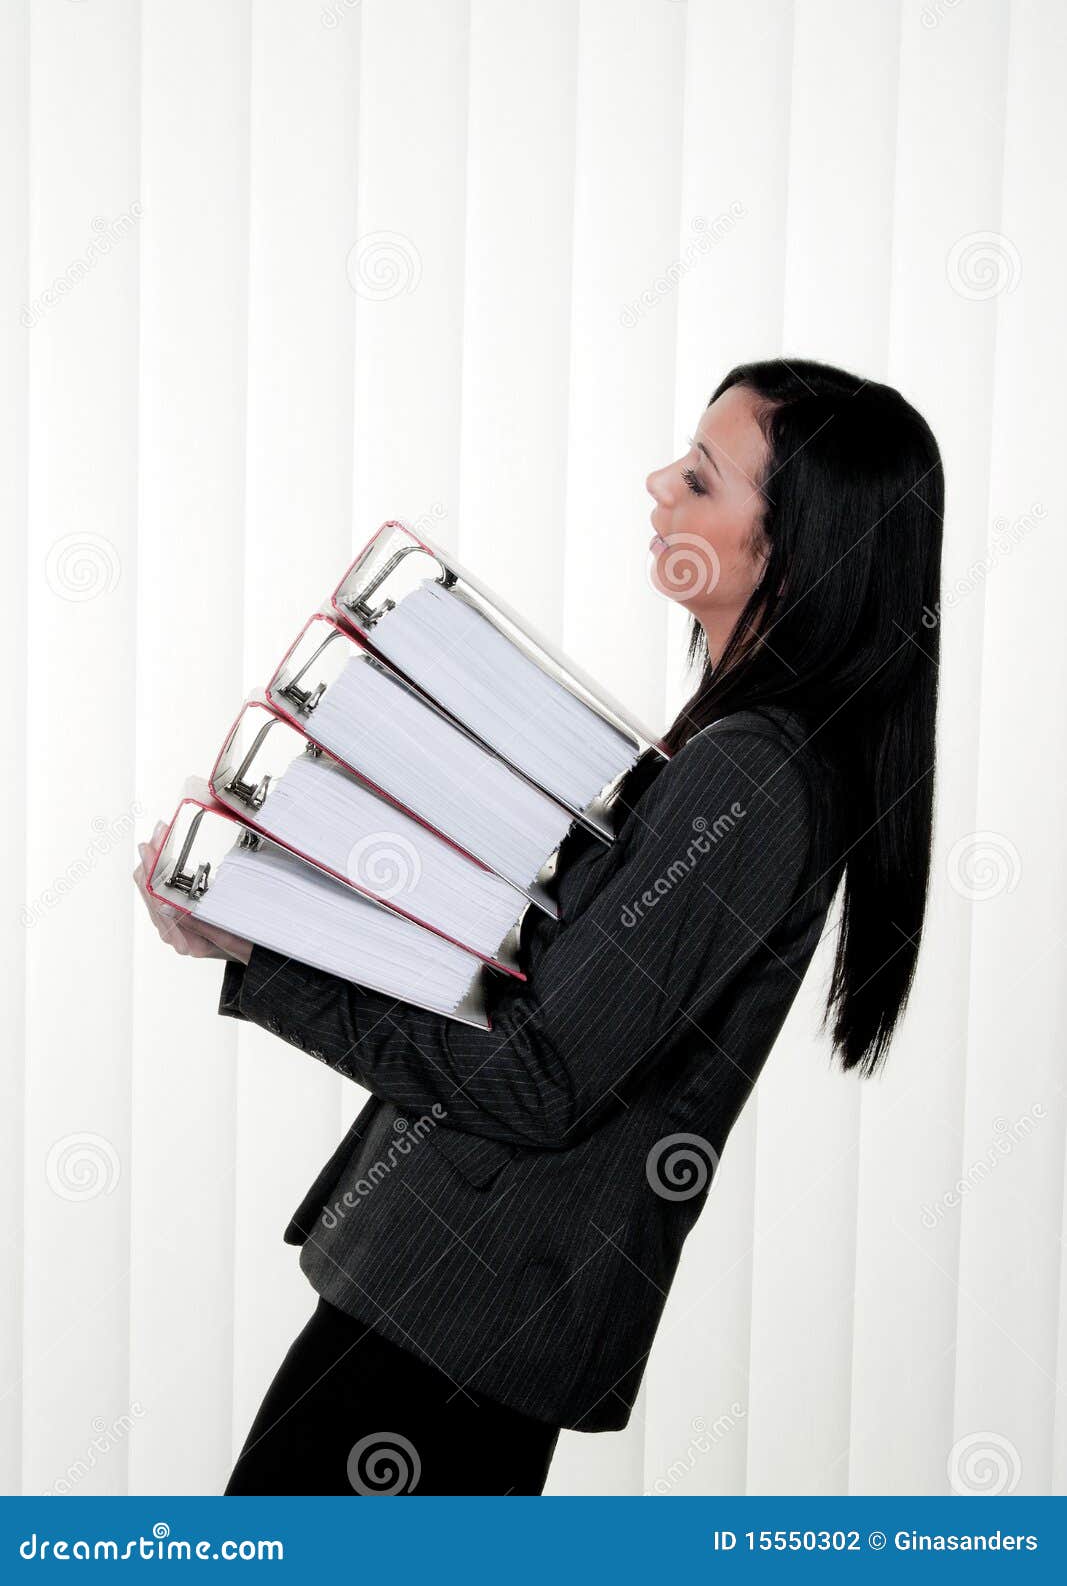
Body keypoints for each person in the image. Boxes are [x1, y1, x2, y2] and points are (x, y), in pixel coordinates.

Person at [133, 358, 944, 1495]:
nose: (658, 483)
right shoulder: (739, 753)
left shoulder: (754, 777)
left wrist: (265, 954)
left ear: (795, 547)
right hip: (461, 1312)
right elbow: (551, 1009)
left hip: (459, 1323)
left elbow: (537, 1079)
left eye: (702, 480)